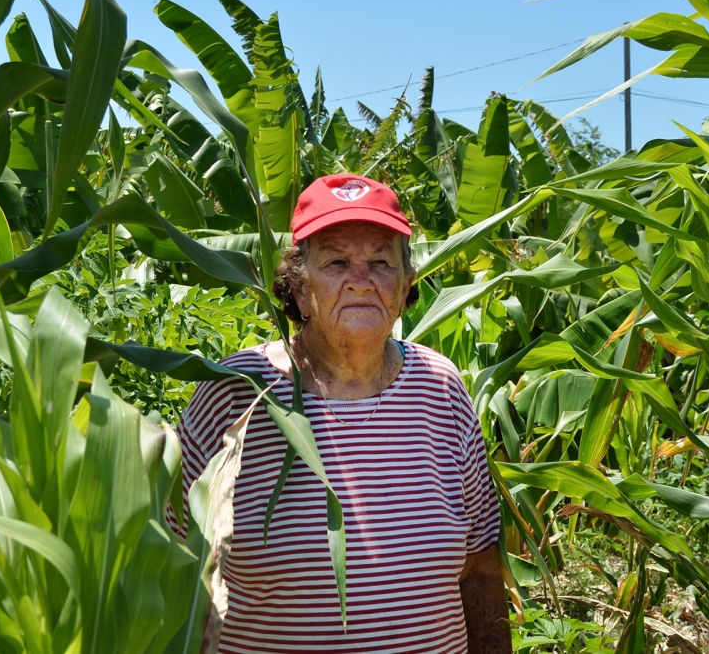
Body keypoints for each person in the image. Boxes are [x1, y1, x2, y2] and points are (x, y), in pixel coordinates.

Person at [174, 173, 511, 654]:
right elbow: (167, 559)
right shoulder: (237, 392)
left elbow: (479, 564)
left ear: (405, 284)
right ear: (299, 285)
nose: (361, 281)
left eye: (380, 262)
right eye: (336, 262)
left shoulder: (440, 388)